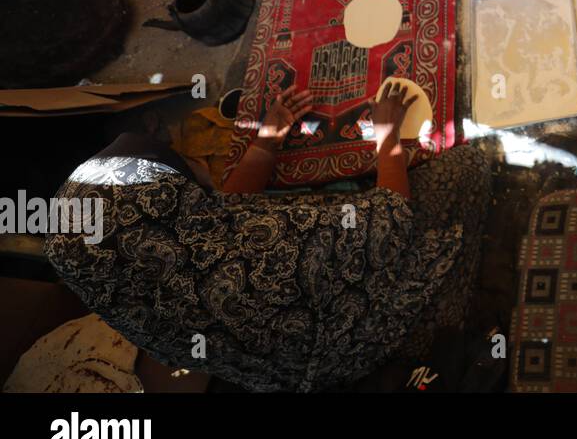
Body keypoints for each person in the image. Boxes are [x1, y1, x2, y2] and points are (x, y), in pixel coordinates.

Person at [44, 83, 491, 392]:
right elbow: (391, 220)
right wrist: (388, 133)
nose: (185, 167)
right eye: (174, 173)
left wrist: (268, 140)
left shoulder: (125, 280)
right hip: (357, 339)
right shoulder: (276, 250)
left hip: (281, 372)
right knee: (464, 168)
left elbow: (220, 216)